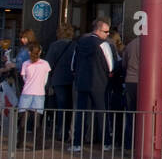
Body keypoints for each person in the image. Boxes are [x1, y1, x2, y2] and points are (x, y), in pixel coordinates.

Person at [69, 18, 114, 151]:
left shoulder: (80, 42)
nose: (107, 34)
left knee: (80, 113)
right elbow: (110, 66)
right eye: (106, 31)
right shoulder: (103, 44)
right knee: (102, 113)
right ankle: (106, 142)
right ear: (99, 30)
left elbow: (73, 65)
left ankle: (77, 143)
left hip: (82, 82)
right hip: (99, 83)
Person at [44, 23, 75, 140]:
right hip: (71, 79)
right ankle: (69, 131)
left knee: (61, 106)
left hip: (58, 80)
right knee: (70, 107)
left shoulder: (54, 46)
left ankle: (61, 131)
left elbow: (48, 64)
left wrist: (48, 84)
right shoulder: (74, 45)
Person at [19, 42, 50, 147]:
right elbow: (45, 80)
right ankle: (38, 143)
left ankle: (20, 142)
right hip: (39, 92)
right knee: (37, 120)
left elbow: (24, 78)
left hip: (26, 92)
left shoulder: (25, 64)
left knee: (23, 118)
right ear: (40, 52)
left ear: (29, 52)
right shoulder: (45, 64)